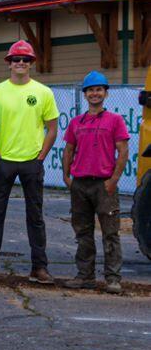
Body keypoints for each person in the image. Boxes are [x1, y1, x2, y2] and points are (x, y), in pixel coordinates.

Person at [0, 40, 59, 285]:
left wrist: (41, 156)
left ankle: (39, 267)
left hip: (31, 162)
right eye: (16, 60)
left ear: (31, 64)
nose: (21, 63)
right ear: (9, 64)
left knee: (35, 216)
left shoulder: (43, 92)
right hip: (4, 161)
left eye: (25, 60)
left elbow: (52, 128)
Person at [62, 71, 127, 295]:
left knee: (110, 233)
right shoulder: (76, 122)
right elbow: (68, 149)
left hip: (104, 185)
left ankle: (113, 278)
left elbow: (123, 151)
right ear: (85, 94)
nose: (94, 93)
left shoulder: (115, 120)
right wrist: (66, 176)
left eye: (99, 89)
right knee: (83, 232)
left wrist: (113, 180)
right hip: (80, 184)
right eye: (90, 90)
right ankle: (85, 276)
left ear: (106, 94)